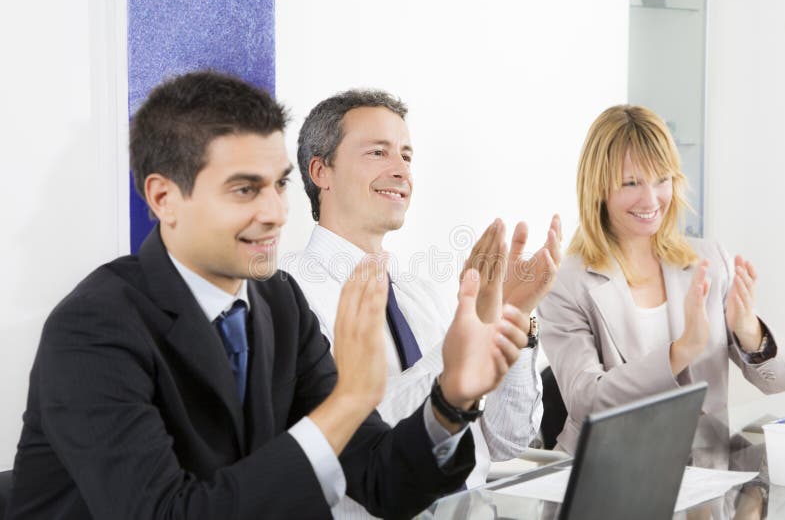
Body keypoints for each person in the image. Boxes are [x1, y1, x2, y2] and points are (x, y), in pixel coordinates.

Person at [6, 71, 535, 520]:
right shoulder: (93, 328)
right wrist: (349, 401)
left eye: (278, 185)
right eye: (244, 189)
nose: (276, 214)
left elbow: (381, 481)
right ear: (165, 197)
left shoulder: (278, 303)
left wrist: (451, 401)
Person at [283, 89, 561, 518]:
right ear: (321, 171)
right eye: (378, 152)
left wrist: (510, 318)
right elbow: (358, 437)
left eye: (407, 156)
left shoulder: (422, 292)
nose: (400, 171)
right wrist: (456, 354)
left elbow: (508, 440)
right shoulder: (290, 296)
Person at [538, 104, 785, 454]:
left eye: (662, 179)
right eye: (631, 183)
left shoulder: (707, 260)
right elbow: (587, 401)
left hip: (704, 475)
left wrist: (749, 329)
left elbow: (782, 380)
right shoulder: (567, 282)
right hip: (605, 475)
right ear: (598, 188)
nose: (651, 199)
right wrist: (680, 351)